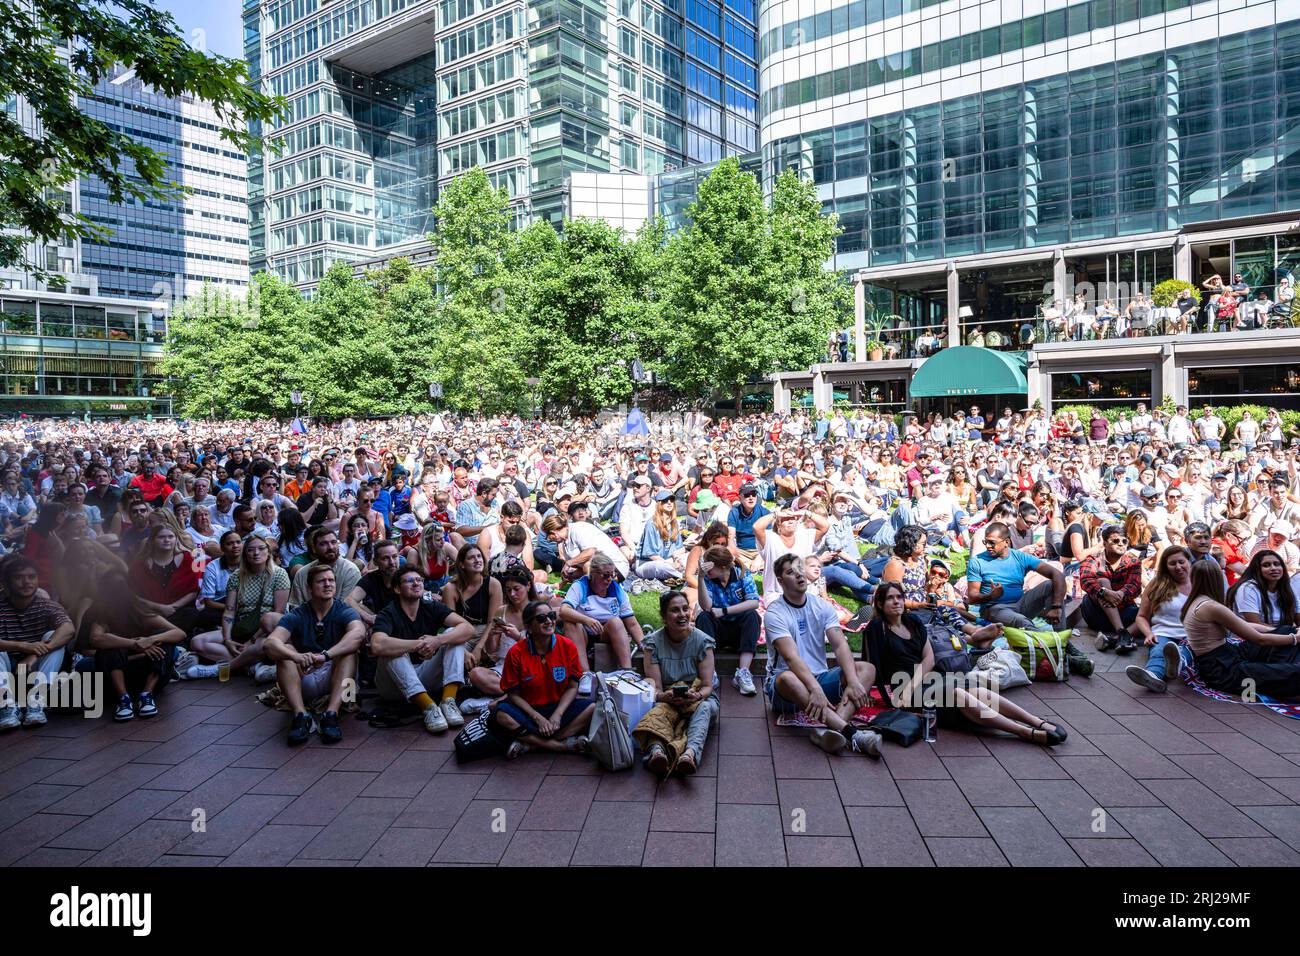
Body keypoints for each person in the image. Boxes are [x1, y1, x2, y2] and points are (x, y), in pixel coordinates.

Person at [865, 582, 1065, 745]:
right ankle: (1024, 732)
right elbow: (870, 665)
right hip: (904, 690)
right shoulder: (877, 628)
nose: (896, 601)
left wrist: (917, 682)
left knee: (976, 690)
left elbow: (929, 658)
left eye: (899, 597)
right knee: (958, 694)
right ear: (880, 604)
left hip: (928, 680)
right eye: (890, 598)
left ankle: (1036, 721)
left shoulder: (914, 622)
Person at [764, 553, 882, 757]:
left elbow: (840, 645)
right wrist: (815, 688)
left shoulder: (822, 606)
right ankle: (852, 734)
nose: (800, 575)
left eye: (800, 569)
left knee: (866, 669)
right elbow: (791, 659)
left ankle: (830, 730)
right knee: (787, 677)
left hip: (820, 678)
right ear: (781, 581)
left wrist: (853, 681)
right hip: (785, 690)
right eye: (791, 572)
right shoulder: (775, 613)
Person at [263, 565, 367, 745]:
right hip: (305, 672)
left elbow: (358, 634)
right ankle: (301, 716)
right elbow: (270, 644)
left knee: (349, 652)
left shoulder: (344, 610)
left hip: (339, 679)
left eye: (331, 580)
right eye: (321, 581)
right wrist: (296, 657)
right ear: (309, 588)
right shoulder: (298, 614)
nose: (328, 585)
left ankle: (331, 715)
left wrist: (326, 655)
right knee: (285, 653)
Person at [371, 568, 477, 733]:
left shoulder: (431, 607)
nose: (416, 583)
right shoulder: (388, 613)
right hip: (393, 686)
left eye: (419, 580)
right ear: (397, 589)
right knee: (391, 650)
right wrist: (418, 644)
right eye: (409, 581)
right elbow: (377, 645)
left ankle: (448, 701)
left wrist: (437, 640)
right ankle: (428, 707)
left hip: (425, 676)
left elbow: (468, 629)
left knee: (452, 634)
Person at [490, 599, 594, 758]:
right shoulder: (516, 653)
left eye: (551, 616)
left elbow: (573, 687)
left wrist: (557, 715)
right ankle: (559, 746)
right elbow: (513, 695)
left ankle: (532, 745)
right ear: (528, 627)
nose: (548, 621)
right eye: (541, 618)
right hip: (528, 710)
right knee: (501, 715)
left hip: (559, 707)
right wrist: (537, 718)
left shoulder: (568, 646)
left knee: (593, 708)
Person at [1182, 560, 1300, 699]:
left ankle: (1280, 667)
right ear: (1218, 579)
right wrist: (1295, 638)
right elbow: (1259, 639)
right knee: (1295, 671)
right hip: (1222, 669)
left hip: (1226, 655)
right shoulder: (1211, 607)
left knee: (1285, 630)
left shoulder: (1196, 601)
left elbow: (1243, 625)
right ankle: (1283, 669)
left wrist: (1276, 631)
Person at [636, 590, 719, 777]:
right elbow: (655, 688)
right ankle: (657, 753)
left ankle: (689, 755)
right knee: (656, 709)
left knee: (705, 708)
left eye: (685, 609)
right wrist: (663, 696)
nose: (682, 615)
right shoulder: (653, 644)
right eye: (675, 610)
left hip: (698, 698)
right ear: (664, 617)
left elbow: (707, 686)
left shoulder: (702, 641)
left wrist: (696, 695)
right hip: (667, 698)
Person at [89, 570, 186, 722]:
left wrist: (151, 640)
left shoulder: (139, 612)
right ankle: (123, 699)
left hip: (148, 672)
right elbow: (96, 639)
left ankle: (146, 695)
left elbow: (179, 633)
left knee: (165, 641)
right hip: (117, 675)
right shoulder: (101, 613)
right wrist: (135, 644)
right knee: (109, 648)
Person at [0, 558, 75, 729]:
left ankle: (36, 702)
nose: (26, 582)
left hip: (38, 669)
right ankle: (6, 707)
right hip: (6, 670)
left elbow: (68, 629)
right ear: (6, 582)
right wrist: (22, 646)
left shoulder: (48, 606)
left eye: (31, 577)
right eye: (18, 577)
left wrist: (34, 654)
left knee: (53, 636)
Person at [694, 545, 761, 696]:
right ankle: (710, 673)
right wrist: (700, 578)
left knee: (752, 616)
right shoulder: (709, 580)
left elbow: (754, 602)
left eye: (709, 566)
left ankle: (742, 674)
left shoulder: (741, 575)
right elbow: (706, 606)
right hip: (717, 633)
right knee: (704, 617)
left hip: (739, 631)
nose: (706, 569)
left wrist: (724, 611)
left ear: (722, 566)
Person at [558, 553, 644, 668]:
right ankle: (585, 674)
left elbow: (632, 623)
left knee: (616, 622)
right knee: (571, 623)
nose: (609, 579)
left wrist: (644, 646)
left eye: (612, 574)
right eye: (605, 575)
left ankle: (626, 671)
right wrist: (587, 620)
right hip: (582, 632)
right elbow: (563, 611)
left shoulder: (616, 590)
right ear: (593, 574)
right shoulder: (580, 586)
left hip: (605, 632)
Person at [1080, 524, 1144, 653]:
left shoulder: (1133, 562)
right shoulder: (1093, 559)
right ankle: (1121, 631)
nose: (1121, 544)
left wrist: (1119, 594)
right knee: (1102, 581)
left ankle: (1116, 638)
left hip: (1124, 612)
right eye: (1115, 541)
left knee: (1151, 612)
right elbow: (1085, 580)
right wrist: (1104, 592)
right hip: (1097, 615)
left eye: (1124, 541)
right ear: (1104, 543)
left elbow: (1135, 587)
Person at [1229, 550, 1296, 630]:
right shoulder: (1247, 588)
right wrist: (1289, 633)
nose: (1273, 568)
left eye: (1277, 564)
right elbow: (1255, 624)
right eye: (1266, 565)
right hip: (1252, 638)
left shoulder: (1286, 587)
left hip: (1283, 635)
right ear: (1257, 569)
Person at [636, 491, 688, 580]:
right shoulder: (651, 524)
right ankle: (685, 576)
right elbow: (651, 554)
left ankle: (681, 571)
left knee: (691, 556)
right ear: (659, 504)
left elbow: (680, 548)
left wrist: (677, 559)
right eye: (665, 500)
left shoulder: (674, 523)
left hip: (668, 560)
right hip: (648, 563)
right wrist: (670, 564)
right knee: (662, 567)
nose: (669, 502)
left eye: (671, 500)